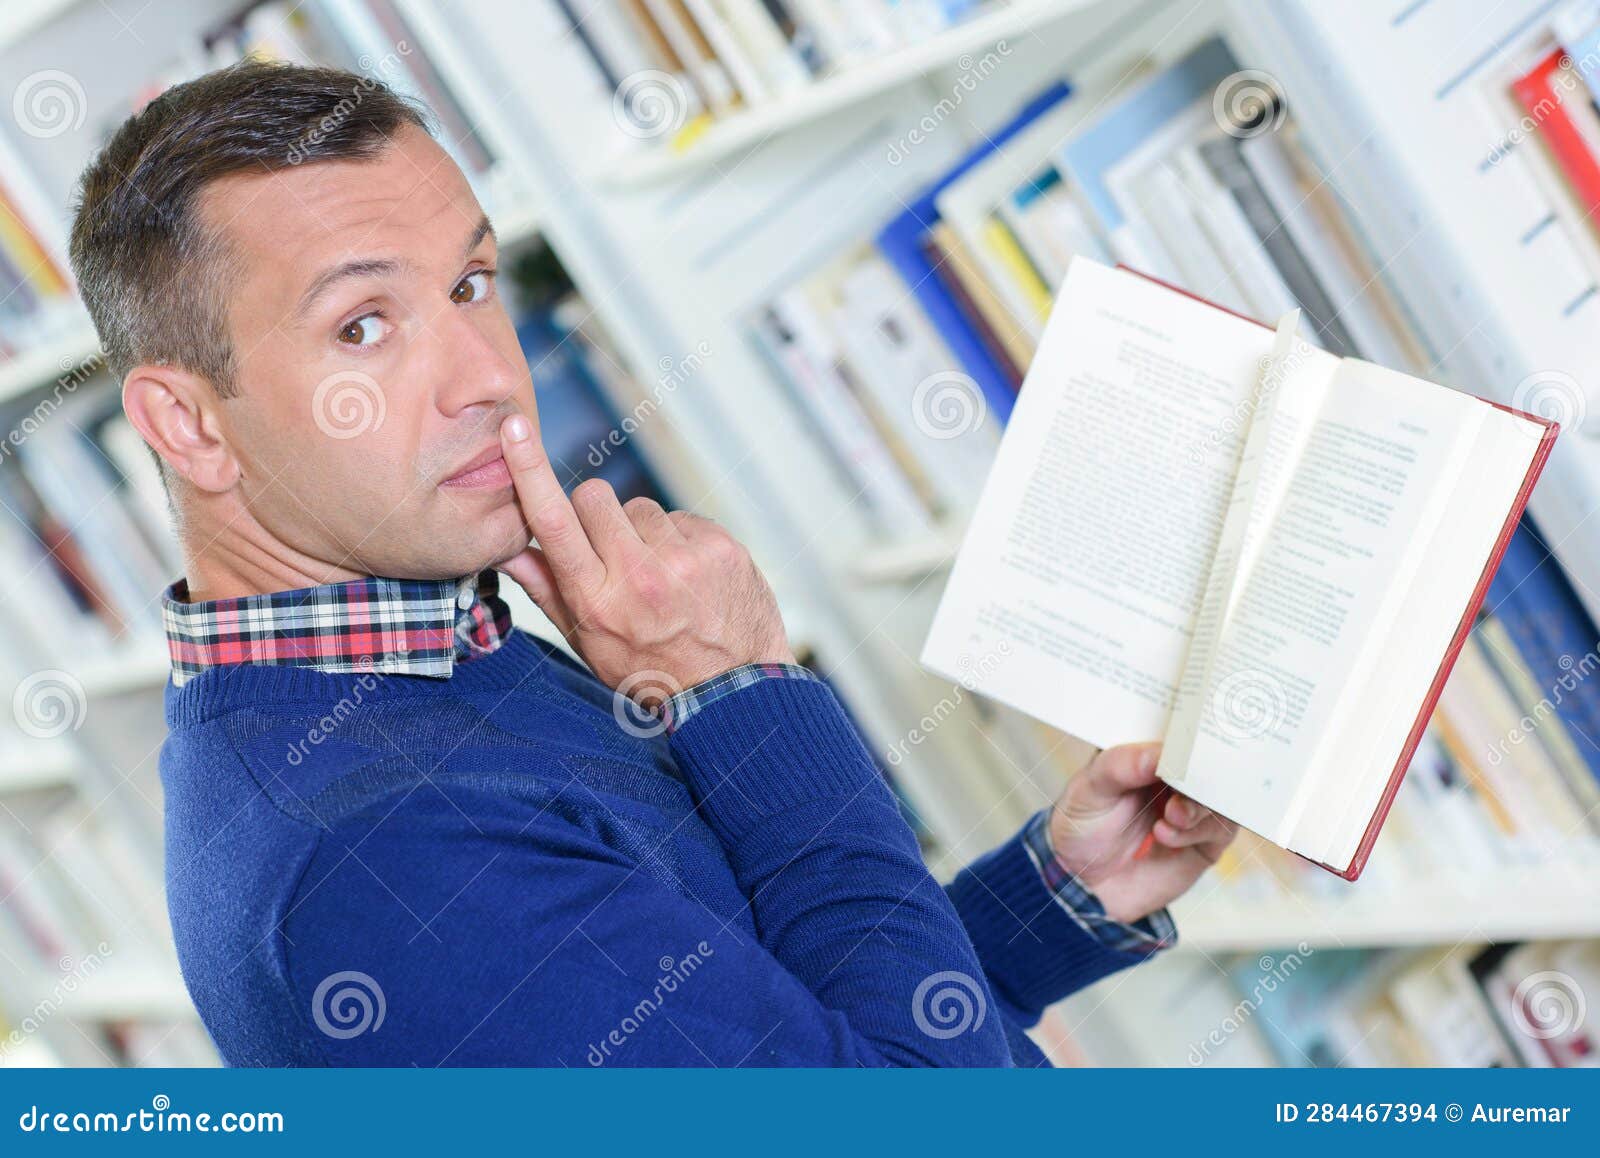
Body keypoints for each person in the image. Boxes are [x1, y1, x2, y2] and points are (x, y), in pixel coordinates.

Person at [69, 60, 1236, 1066]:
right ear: (189, 427)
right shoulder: (382, 852)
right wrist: (741, 690)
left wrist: (1051, 898)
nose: (484, 374)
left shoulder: (442, 647)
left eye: (471, 285)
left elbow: (773, 1027)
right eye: (363, 327)